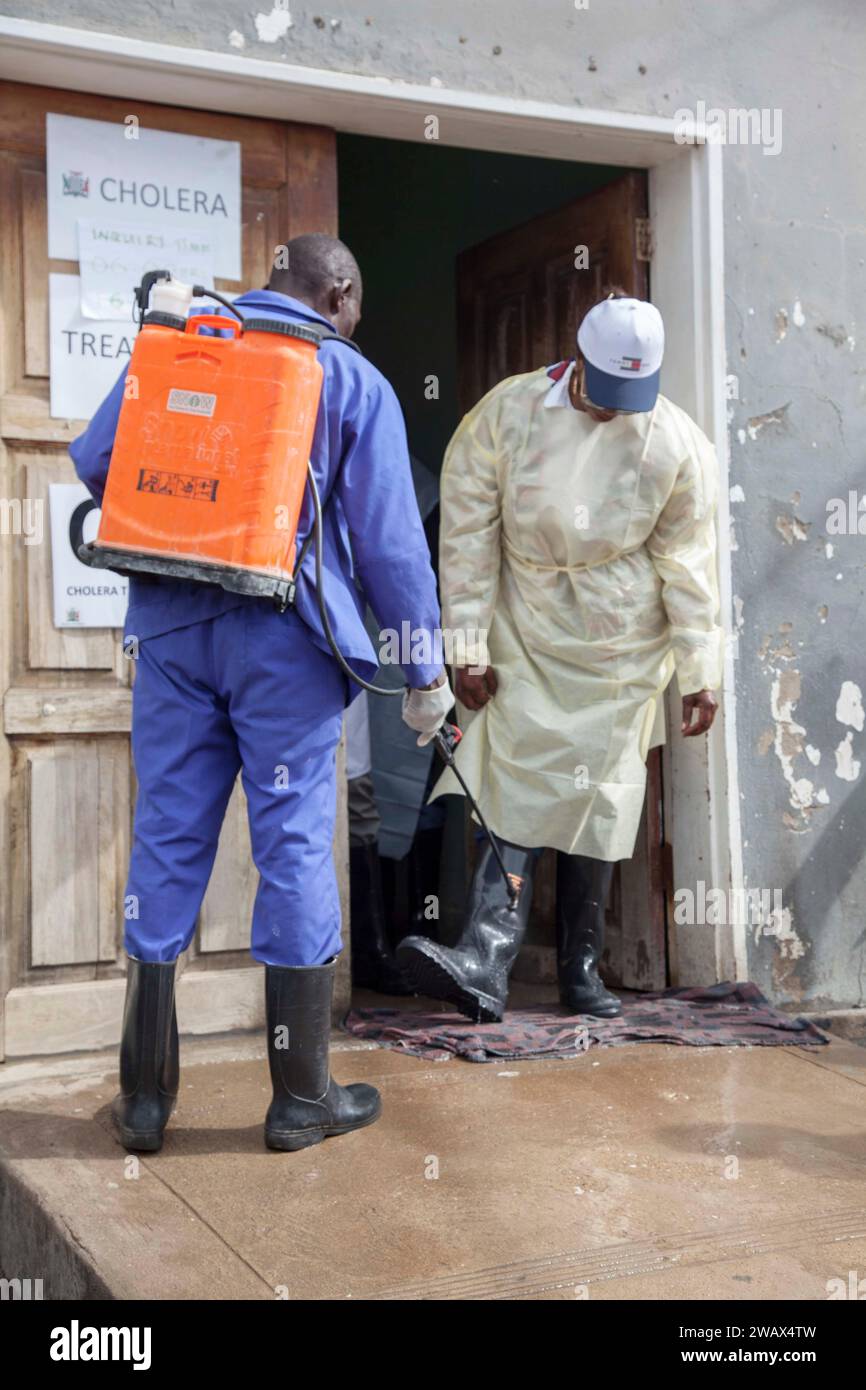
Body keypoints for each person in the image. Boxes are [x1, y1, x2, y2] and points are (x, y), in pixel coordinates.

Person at [70, 234, 452, 1152]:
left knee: (166, 835)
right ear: (340, 292)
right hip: (287, 641)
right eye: (357, 305)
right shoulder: (349, 378)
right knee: (291, 848)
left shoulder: (181, 340)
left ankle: (146, 1100)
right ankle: (299, 1097)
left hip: (170, 633)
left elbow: (95, 463)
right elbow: (394, 546)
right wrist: (423, 673)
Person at [398, 291, 723, 1023]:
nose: (615, 412)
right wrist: (468, 644)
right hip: (528, 620)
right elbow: (468, 532)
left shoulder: (677, 442)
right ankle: (485, 958)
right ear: (576, 363)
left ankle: (581, 972)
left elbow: (689, 561)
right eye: (605, 395)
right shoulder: (508, 414)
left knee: (600, 794)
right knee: (511, 779)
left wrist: (701, 669)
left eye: (631, 398)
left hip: (622, 643)